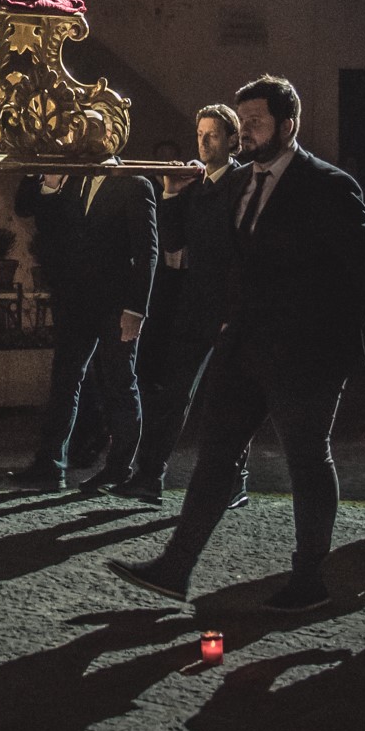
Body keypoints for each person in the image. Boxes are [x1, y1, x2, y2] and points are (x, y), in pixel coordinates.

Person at [108, 74, 365, 612]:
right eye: (243, 123)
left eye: (256, 121)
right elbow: (197, 245)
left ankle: (309, 580)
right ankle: (175, 568)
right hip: (241, 347)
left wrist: (329, 343)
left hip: (304, 356)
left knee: (305, 461)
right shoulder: (236, 184)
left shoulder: (327, 185)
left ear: (289, 124)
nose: (245, 133)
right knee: (215, 458)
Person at [116, 104, 248, 507]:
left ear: (232, 140)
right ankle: (150, 476)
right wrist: (172, 192)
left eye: (212, 135)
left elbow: (239, 250)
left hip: (227, 310)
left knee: (227, 399)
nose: (204, 143)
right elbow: (173, 242)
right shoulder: (198, 184)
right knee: (173, 395)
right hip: (194, 308)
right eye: (200, 134)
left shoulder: (243, 184)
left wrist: (235, 311)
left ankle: (235, 482)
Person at [10, 163, 158, 493]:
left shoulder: (133, 184)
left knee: (119, 381)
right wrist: (48, 184)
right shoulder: (73, 178)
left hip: (117, 303)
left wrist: (137, 308)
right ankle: (50, 465)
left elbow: (147, 250)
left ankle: (119, 468)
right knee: (64, 379)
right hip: (77, 301)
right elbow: (49, 227)